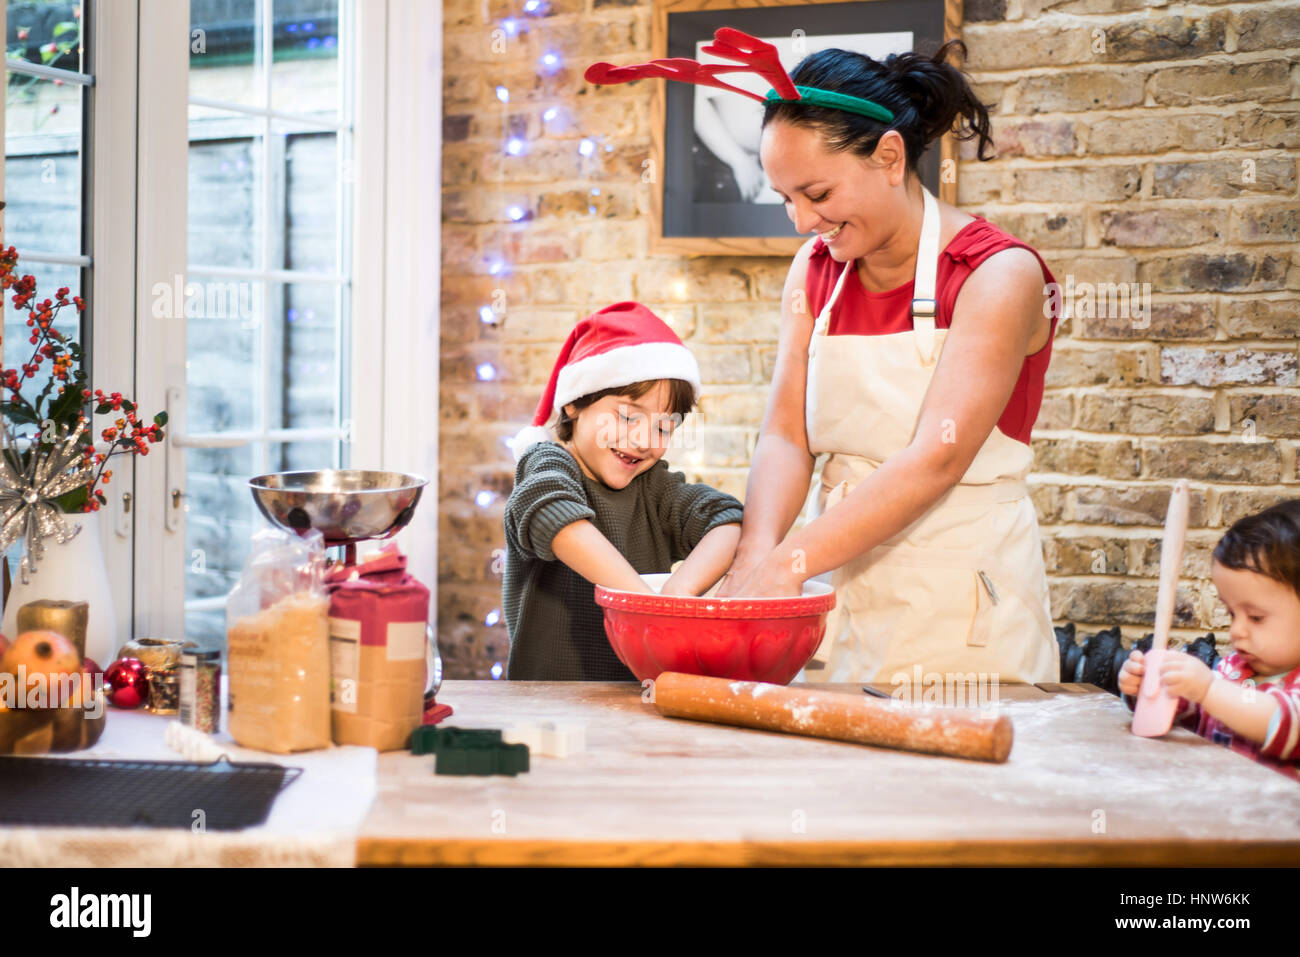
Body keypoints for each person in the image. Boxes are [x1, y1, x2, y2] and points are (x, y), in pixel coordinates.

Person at [717, 40, 1063, 686]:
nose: (801, 221)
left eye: (816, 192)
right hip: (840, 602)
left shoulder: (998, 275)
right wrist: (756, 552)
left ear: (888, 156)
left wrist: (787, 563)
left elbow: (936, 456)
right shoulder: (815, 272)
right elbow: (786, 434)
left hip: (966, 620)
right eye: (785, 198)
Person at [502, 301, 744, 680]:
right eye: (629, 416)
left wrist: (679, 593)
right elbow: (554, 514)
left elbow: (727, 519)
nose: (644, 440)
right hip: (550, 710)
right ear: (573, 405)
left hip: (639, 705)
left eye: (665, 428)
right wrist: (644, 606)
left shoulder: (655, 487)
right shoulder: (547, 462)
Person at [1118, 500, 1300, 781]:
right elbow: (1194, 714)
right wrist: (1153, 689)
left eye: (1255, 617)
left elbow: (1280, 722)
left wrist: (1207, 689)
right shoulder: (1233, 670)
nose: (1237, 630)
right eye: (1231, 613)